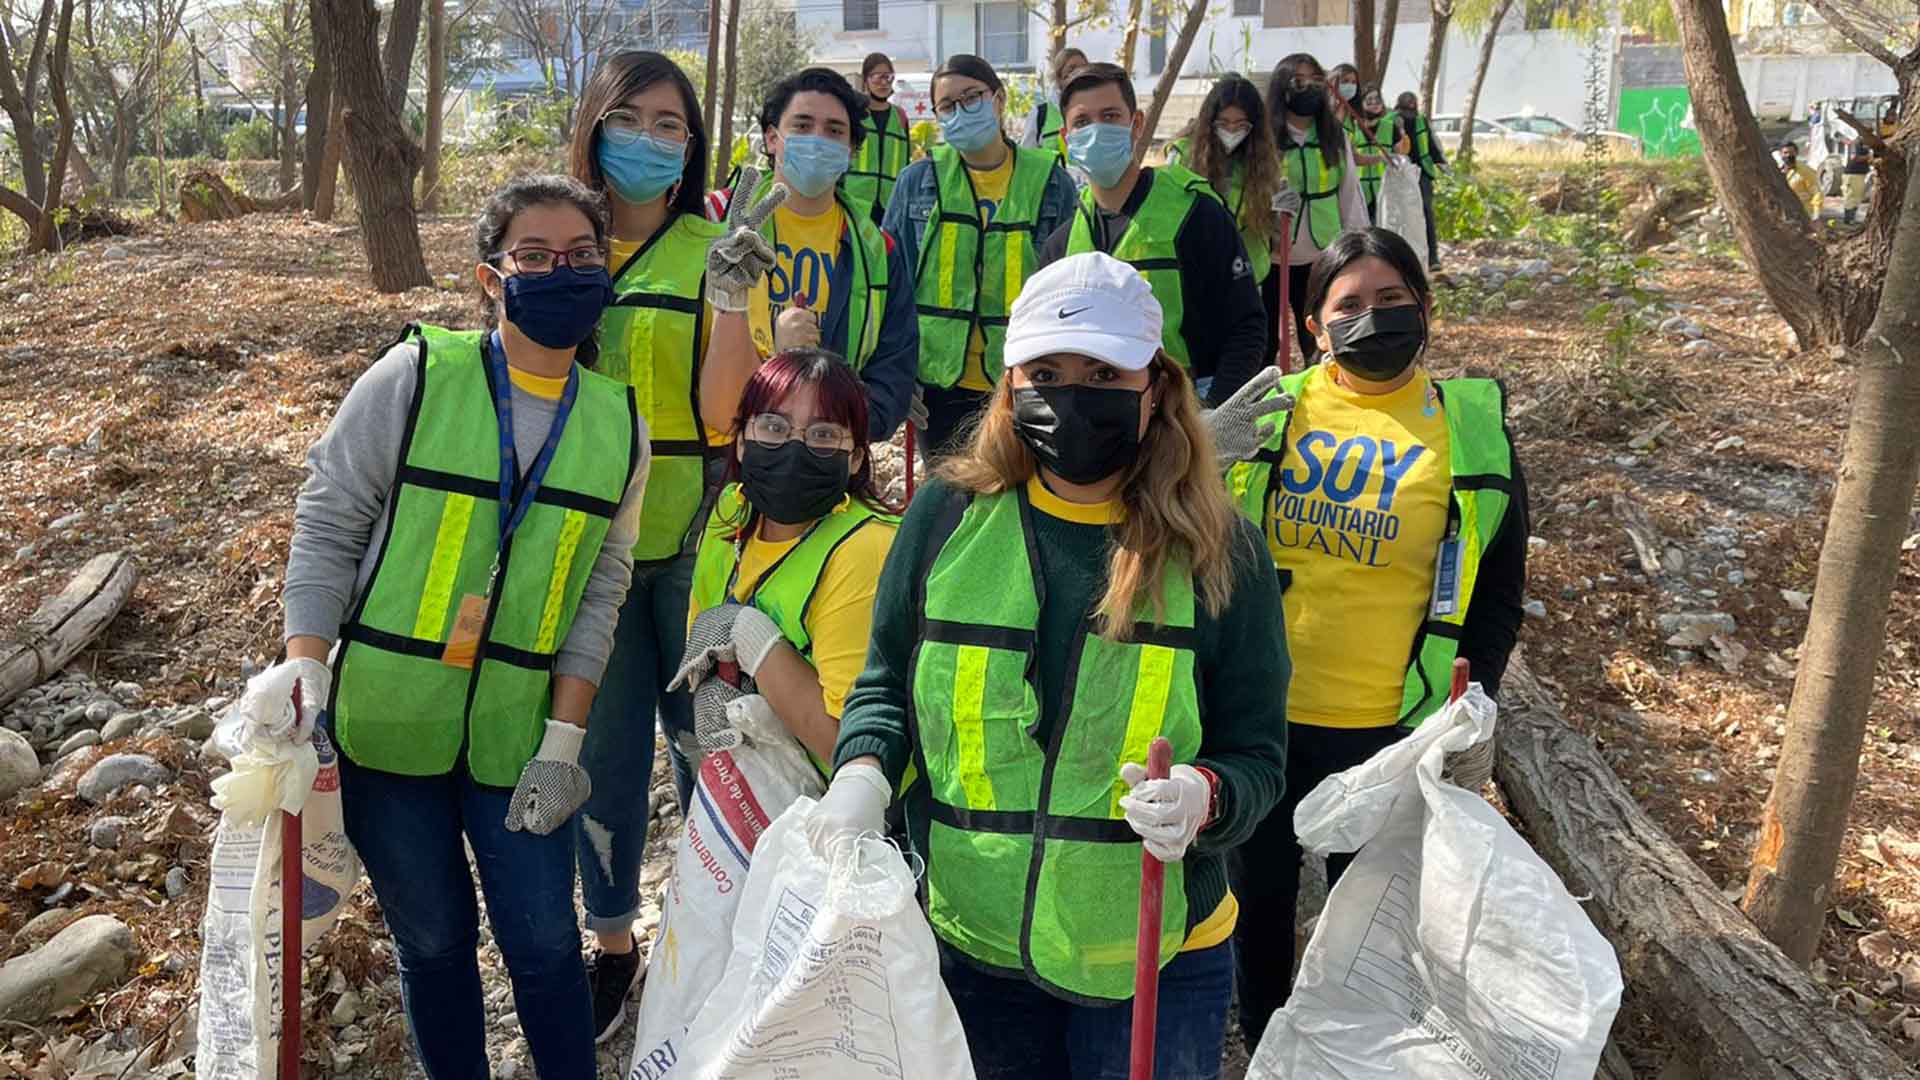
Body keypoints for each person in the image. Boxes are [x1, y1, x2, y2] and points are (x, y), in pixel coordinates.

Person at [808, 251, 1287, 1079]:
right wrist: (862, 776)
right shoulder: (946, 518)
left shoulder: (1219, 549)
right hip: (971, 939)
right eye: (1047, 371)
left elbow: (1259, 755)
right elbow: (885, 683)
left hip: (1149, 954)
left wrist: (1208, 798)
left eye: (1102, 371)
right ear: (1010, 384)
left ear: (1155, 388)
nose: (1071, 394)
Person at [278, 175, 648, 1079]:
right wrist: (302, 669)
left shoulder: (620, 424)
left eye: (581, 256)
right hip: (384, 725)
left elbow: (602, 588)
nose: (561, 271)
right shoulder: (413, 376)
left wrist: (567, 735)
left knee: (543, 940)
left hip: (520, 739)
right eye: (534, 256)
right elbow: (329, 521)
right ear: (491, 276)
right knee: (435, 944)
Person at [1221, 227, 1529, 1044]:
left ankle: (1346, 1049)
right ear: (1315, 325)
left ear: (1425, 309)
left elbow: (1498, 591)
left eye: (1392, 301)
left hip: (1389, 727)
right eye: (1348, 305)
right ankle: (1264, 1045)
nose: (1372, 319)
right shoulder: (1269, 410)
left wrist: (1476, 701)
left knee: (1366, 926)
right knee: (1258, 908)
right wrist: (1200, 455)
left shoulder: (1471, 424)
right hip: (1264, 717)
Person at [561, 50, 720, 1041]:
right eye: (634, 117)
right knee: (602, 759)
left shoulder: (717, 247)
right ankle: (614, 946)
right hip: (584, 555)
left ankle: (714, 938)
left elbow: (733, 410)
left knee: (709, 756)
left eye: (673, 123)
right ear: (593, 122)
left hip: (696, 543)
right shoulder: (558, 244)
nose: (653, 139)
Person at [673, 348, 898, 775]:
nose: (795, 449)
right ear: (740, 439)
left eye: (823, 434)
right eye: (773, 427)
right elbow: (700, 648)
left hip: (839, 811)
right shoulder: (730, 515)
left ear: (855, 457)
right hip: (749, 781)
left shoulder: (864, 549)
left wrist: (753, 637)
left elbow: (848, 747)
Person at [701, 66, 918, 442]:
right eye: (802, 126)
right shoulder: (716, 224)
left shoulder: (878, 251)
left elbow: (892, 374)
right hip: (724, 455)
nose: (818, 139)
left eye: (834, 131)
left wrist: (831, 431)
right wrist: (777, 362)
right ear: (772, 138)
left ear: (850, 152)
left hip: (826, 456)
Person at [1039, 62, 1268, 407]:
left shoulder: (1196, 213)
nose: (1097, 131)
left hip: (1185, 411)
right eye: (1083, 122)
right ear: (1066, 138)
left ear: (1137, 124)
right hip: (1097, 417)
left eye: (1111, 116)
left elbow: (1246, 325)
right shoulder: (1062, 243)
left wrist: (1217, 411)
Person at [884, 54, 1078, 456]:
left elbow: (1069, 285)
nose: (961, 112)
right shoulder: (918, 182)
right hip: (938, 384)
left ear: (999, 99)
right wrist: (898, 375)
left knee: (1019, 494)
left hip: (1025, 378)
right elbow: (890, 282)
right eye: (948, 106)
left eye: (971, 97)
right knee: (948, 500)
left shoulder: (1051, 183)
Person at [1268, 53, 1369, 367]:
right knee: (1266, 336)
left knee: (1316, 333)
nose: (1308, 88)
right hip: (1271, 253)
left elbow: (1350, 194)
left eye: (1315, 81)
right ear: (1283, 87)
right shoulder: (1266, 136)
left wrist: (1357, 249)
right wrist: (1268, 207)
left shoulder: (1334, 135)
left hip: (1321, 252)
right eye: (1299, 81)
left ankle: (1317, 396)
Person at [1164, 74, 1284, 329]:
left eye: (1241, 125)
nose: (1231, 132)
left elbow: (1277, 239)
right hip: (1198, 276)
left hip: (1248, 278)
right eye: (1224, 123)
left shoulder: (1261, 162)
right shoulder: (1183, 154)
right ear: (1209, 121)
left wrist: (1282, 212)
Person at [844, 52, 912, 226]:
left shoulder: (900, 116)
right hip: (856, 199)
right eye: (877, 77)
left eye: (888, 77)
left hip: (892, 202)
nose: (883, 82)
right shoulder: (855, 113)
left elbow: (906, 161)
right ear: (866, 80)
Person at [1395, 91, 1447, 268]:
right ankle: (1408, 258)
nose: (1409, 113)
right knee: (1405, 216)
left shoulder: (1421, 120)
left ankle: (1432, 258)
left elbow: (1432, 144)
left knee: (1426, 213)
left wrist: (1440, 161)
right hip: (1402, 172)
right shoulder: (1392, 121)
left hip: (1423, 172)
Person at [1020, 46, 1089, 163]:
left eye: (1083, 68)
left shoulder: (1096, 111)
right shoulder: (1040, 114)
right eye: (1071, 69)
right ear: (1059, 77)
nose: (1078, 74)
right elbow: (1026, 159)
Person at [1348, 83, 1407, 220]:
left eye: (1378, 100)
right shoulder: (1351, 128)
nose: (1374, 103)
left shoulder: (1391, 127)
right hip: (1358, 191)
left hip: (1384, 190)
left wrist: (1403, 135)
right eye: (1369, 100)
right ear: (1361, 103)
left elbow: (1400, 156)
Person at [1780, 141, 1822, 218]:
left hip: (1803, 213)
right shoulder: (1776, 170)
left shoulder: (1806, 171)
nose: (1788, 155)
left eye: (1791, 152)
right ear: (1781, 154)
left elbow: (1816, 193)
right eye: (1785, 153)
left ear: (1796, 153)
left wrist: (1816, 215)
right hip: (1784, 213)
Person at [1841, 137, 1870, 224]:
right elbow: (1856, 158)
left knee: (1857, 198)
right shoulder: (1857, 144)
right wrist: (1869, 156)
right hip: (1852, 174)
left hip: (1859, 175)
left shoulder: (1865, 146)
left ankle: (1851, 218)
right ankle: (1848, 219)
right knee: (1851, 197)